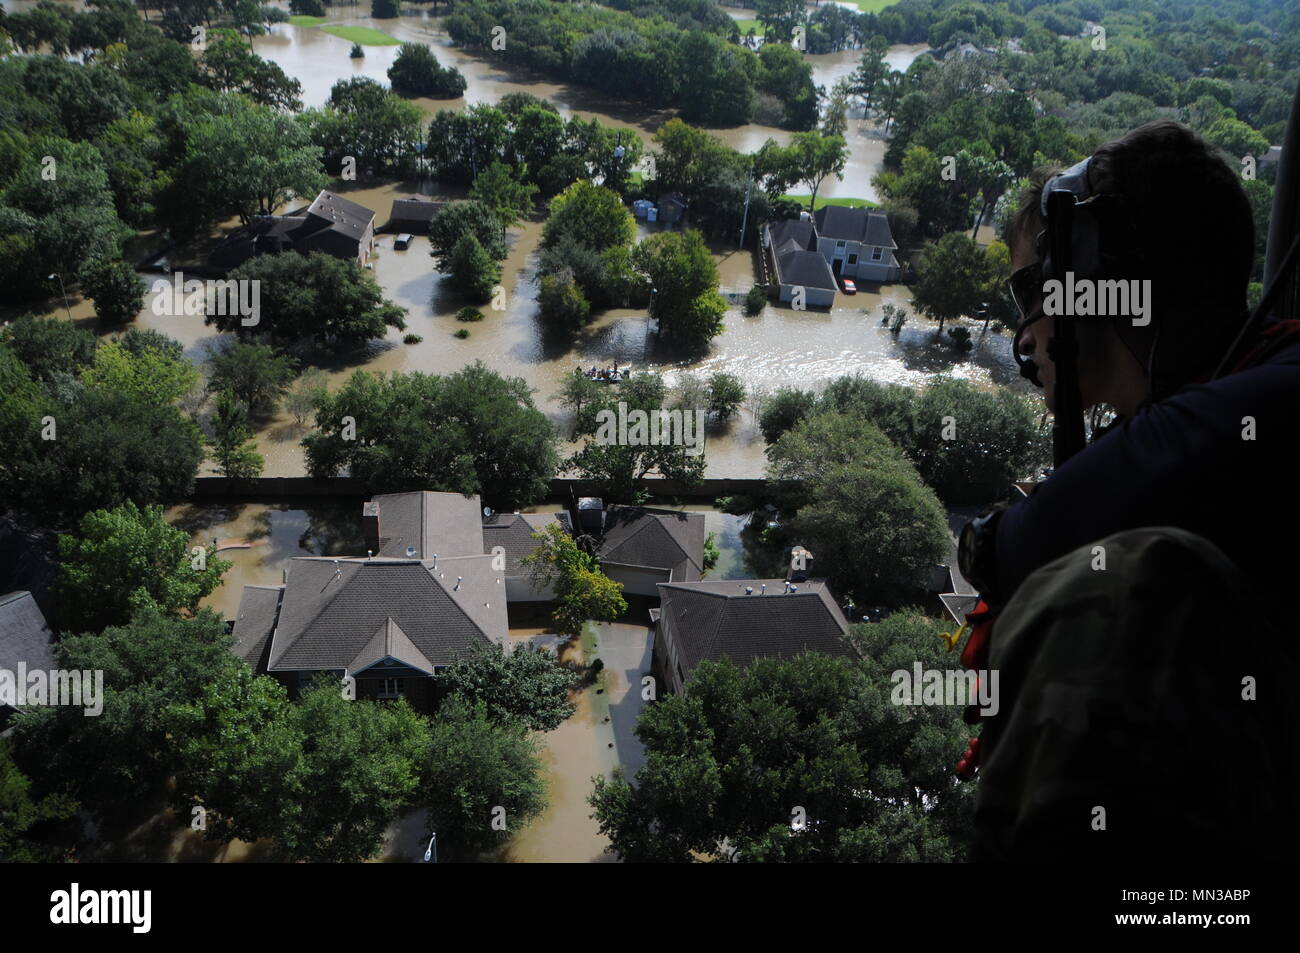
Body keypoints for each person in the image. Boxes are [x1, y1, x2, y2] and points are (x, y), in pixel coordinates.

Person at [963, 120, 1300, 861]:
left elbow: (1027, 543)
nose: (1025, 328)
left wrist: (992, 540)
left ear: (1092, 269)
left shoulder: (1270, 397)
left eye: (1030, 288)